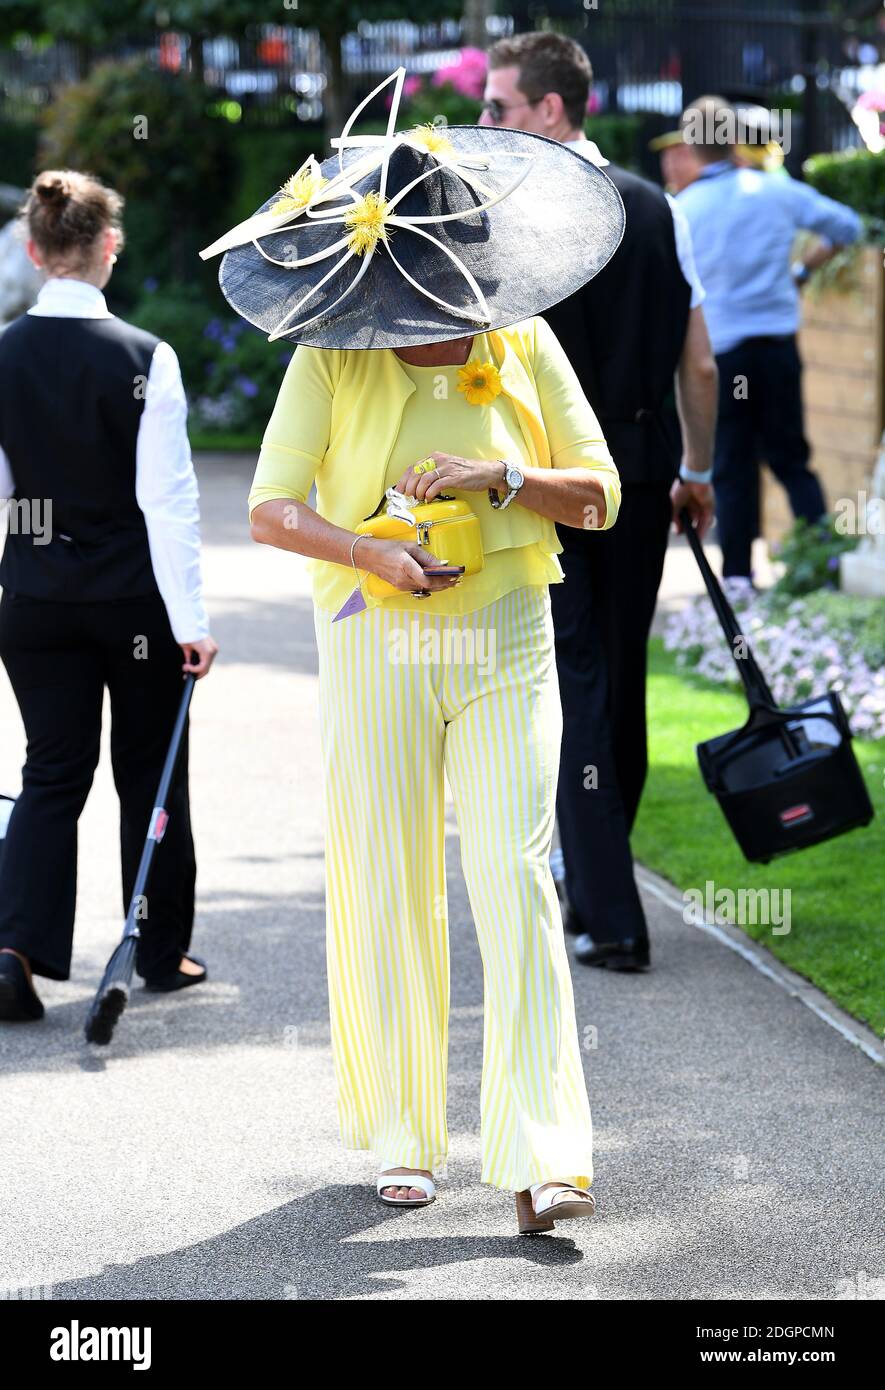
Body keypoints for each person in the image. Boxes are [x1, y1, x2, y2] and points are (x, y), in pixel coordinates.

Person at [202, 70, 624, 1231]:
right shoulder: (332, 356)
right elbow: (272, 509)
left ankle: (546, 1150)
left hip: (506, 640)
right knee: (388, 882)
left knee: (513, 873)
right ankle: (404, 1128)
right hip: (376, 643)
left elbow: (600, 497)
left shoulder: (523, 340)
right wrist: (372, 552)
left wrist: (504, 476)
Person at [481, 34, 718, 971]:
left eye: (499, 107)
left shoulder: (512, 215)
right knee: (619, 665)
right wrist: (693, 470)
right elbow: (698, 361)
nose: (490, 124)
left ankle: (606, 911)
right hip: (641, 448)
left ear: (549, 109)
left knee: (571, 671)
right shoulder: (659, 206)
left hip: (552, 468)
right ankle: (598, 874)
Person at [0, 170, 217, 1024]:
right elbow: (168, 504)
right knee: (150, 778)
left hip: (36, 601)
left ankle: (13, 948)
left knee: (52, 772)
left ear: (33, 249)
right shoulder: (144, 358)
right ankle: (159, 950)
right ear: (108, 248)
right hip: (133, 607)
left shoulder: (3, 355)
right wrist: (191, 625)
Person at [676, 95, 863, 580]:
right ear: (734, 139)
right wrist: (801, 270)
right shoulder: (776, 192)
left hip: (724, 357)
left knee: (731, 465)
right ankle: (822, 563)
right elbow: (849, 226)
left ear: (692, 148)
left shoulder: (684, 209)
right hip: (778, 351)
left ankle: (737, 576)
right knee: (791, 459)